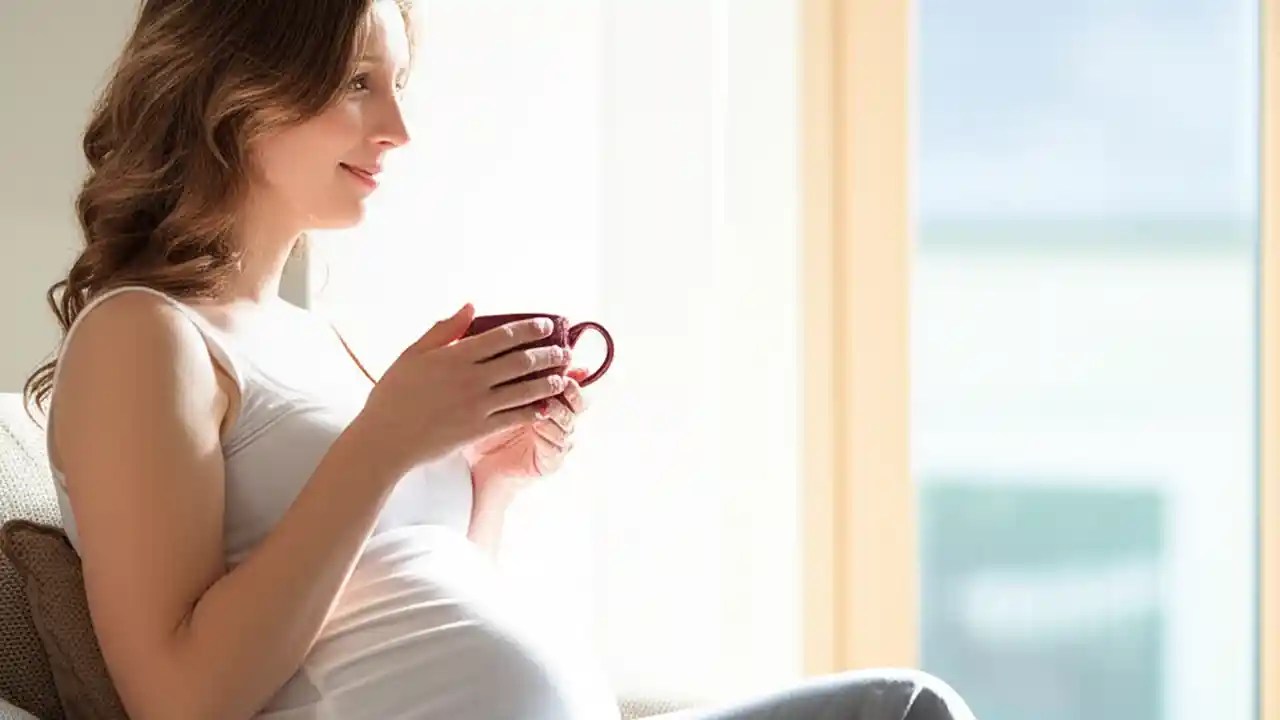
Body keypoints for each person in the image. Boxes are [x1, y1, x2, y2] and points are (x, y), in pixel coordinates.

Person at [24, 1, 976, 718]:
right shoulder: (143, 336)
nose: (398, 126)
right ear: (233, 89)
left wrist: (492, 485)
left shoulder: (317, 338)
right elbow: (182, 698)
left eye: (398, 85)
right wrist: (387, 440)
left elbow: (399, 598)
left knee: (903, 707)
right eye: (359, 82)